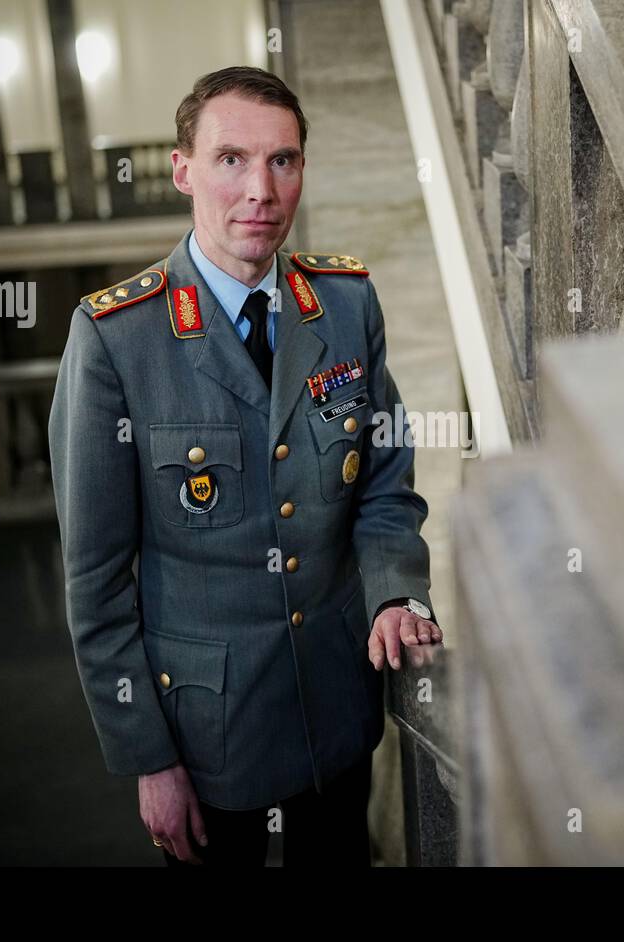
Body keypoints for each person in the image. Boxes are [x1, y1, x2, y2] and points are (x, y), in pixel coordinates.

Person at [47, 65, 442, 867]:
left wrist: (395, 590)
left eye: (284, 160)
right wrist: (148, 757)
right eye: (231, 159)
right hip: (208, 733)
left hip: (337, 707)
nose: (260, 189)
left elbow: (385, 487)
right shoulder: (117, 340)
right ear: (182, 168)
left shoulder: (345, 303)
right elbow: (96, 579)